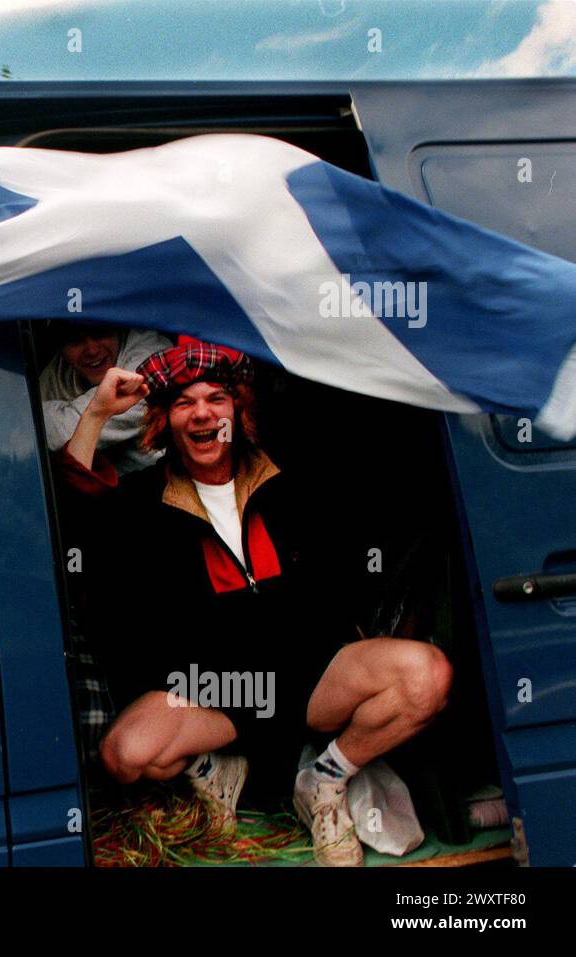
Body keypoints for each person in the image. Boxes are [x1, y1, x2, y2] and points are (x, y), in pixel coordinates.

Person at [56, 337, 452, 866]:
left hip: (313, 678)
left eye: (216, 398)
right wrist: (99, 412)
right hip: (217, 693)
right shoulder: (143, 504)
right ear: (163, 421)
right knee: (124, 754)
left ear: (237, 410)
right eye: (183, 402)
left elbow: (366, 529)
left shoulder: (291, 477)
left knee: (427, 676)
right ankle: (216, 771)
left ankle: (323, 783)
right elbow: (73, 518)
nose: (202, 413)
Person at [39, 323, 172, 475]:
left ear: (118, 328)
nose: (92, 350)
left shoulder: (152, 358)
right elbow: (24, 423)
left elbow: (60, 433)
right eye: (75, 340)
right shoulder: (61, 368)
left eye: (100, 333)